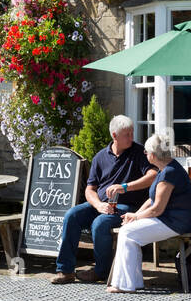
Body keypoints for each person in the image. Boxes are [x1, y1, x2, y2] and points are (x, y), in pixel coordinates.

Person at [51, 115, 157, 284]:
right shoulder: (100, 157)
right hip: (100, 204)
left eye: (132, 133)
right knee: (72, 215)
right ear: (114, 136)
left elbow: (153, 176)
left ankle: (101, 271)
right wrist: (99, 204)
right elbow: (90, 189)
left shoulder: (138, 152)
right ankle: (65, 270)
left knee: (100, 223)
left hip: (127, 206)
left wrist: (125, 187)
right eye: (126, 134)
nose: (131, 137)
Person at [107, 131, 191, 293]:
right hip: (168, 219)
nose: (145, 155)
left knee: (127, 233)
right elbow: (151, 200)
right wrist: (135, 216)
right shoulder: (165, 169)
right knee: (129, 232)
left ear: (153, 155)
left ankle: (126, 285)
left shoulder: (169, 173)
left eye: (146, 152)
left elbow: (157, 208)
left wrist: (136, 216)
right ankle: (134, 282)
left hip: (174, 222)